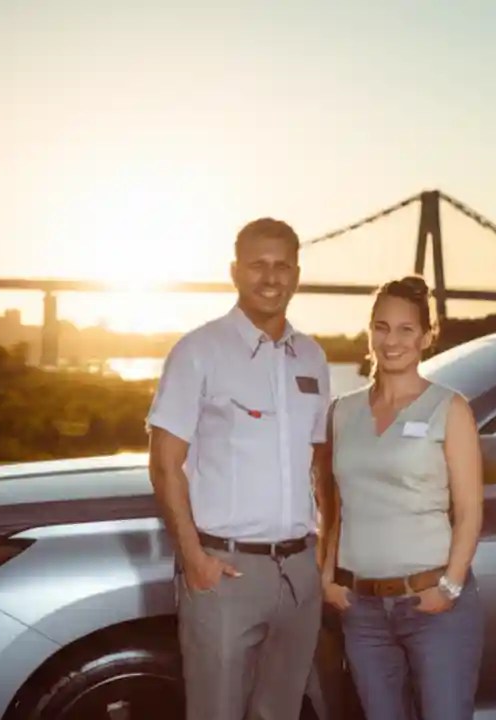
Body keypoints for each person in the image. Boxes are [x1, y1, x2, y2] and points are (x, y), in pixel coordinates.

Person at [146, 217, 332, 720]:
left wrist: (322, 558)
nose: (270, 278)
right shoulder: (199, 351)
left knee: (281, 714)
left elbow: (322, 466)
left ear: (297, 273)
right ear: (234, 271)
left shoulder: (313, 357)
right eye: (257, 265)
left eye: (281, 266)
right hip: (224, 571)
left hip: (299, 573)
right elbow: (165, 463)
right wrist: (194, 559)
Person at [318, 275, 485, 720]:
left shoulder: (450, 409)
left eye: (406, 329)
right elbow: (337, 504)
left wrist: (449, 586)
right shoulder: (342, 412)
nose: (391, 341)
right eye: (381, 327)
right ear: (369, 332)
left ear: (427, 337)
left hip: (433, 607)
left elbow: (470, 511)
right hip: (362, 613)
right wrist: (328, 576)